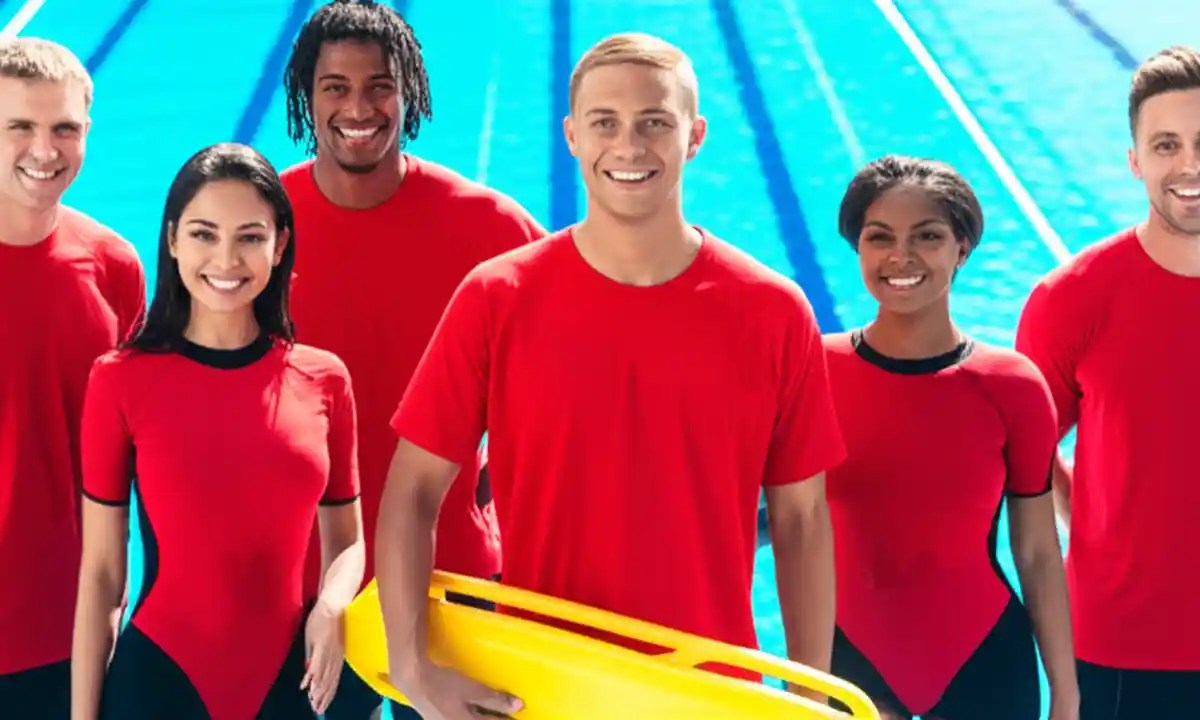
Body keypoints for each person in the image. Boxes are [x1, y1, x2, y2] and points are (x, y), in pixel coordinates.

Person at [374, 31, 846, 719]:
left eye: (654, 122)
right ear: (571, 135)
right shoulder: (497, 298)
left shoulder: (772, 311)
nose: (628, 146)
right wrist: (411, 666)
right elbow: (413, 489)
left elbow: (802, 520)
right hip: (541, 691)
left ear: (694, 136)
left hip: (709, 697)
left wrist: (809, 702)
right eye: (605, 123)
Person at [279, 3, 547, 714]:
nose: (358, 108)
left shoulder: (492, 227)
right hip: (301, 587)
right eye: (335, 87)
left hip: (454, 578)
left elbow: (569, 387)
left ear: (411, 92)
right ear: (306, 94)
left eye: (380, 86)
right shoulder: (259, 225)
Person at [1015, 46, 1200, 720]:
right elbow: (1023, 451)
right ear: (1136, 161)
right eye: (1167, 145)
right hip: (1112, 650)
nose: (1191, 165)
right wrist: (1087, 516)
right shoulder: (1071, 299)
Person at [71, 143, 365, 720]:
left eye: (250, 237)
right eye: (204, 234)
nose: (226, 260)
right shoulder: (119, 380)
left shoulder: (324, 380)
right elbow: (103, 573)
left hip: (292, 686)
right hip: (157, 686)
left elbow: (348, 541)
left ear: (279, 245)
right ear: (173, 240)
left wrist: (332, 604)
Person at [824, 155, 1077, 720]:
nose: (901, 256)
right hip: (842, 659)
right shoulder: (814, 371)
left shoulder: (1011, 386)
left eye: (928, 236)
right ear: (857, 247)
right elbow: (780, 520)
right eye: (880, 237)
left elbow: (1037, 552)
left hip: (983, 662)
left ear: (962, 248)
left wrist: (1067, 692)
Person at [0, 38, 145, 719]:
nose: (44, 150)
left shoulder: (113, 266)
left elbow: (135, 452)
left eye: (63, 128)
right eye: (19, 126)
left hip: (67, 626)